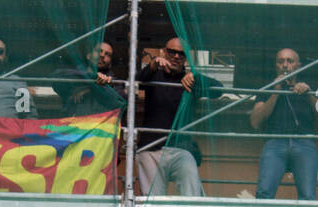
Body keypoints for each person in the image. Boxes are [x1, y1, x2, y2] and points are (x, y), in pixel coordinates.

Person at [136, 37, 222, 196]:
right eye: (172, 52)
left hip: (181, 148)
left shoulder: (191, 80)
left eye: (181, 54)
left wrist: (196, 77)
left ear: (186, 58)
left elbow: (219, 90)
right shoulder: (153, 75)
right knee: (153, 202)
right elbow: (135, 82)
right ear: (164, 52)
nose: (176, 56)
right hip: (150, 148)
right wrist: (152, 65)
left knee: (191, 194)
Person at [251, 48, 318, 200]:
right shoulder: (267, 87)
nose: (285, 65)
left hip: (304, 142)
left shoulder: (313, 86)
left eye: (290, 61)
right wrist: (275, 92)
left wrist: (309, 95)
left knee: (308, 196)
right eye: (280, 61)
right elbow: (255, 121)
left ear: (299, 65)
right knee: (264, 193)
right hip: (275, 142)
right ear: (276, 66)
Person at [50, 41, 125, 116]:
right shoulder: (74, 74)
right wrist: (93, 78)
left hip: (101, 122)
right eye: (99, 51)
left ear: (110, 63)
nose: (102, 55)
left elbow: (118, 103)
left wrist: (95, 88)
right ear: (88, 55)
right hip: (74, 121)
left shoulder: (114, 82)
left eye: (107, 54)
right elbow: (57, 79)